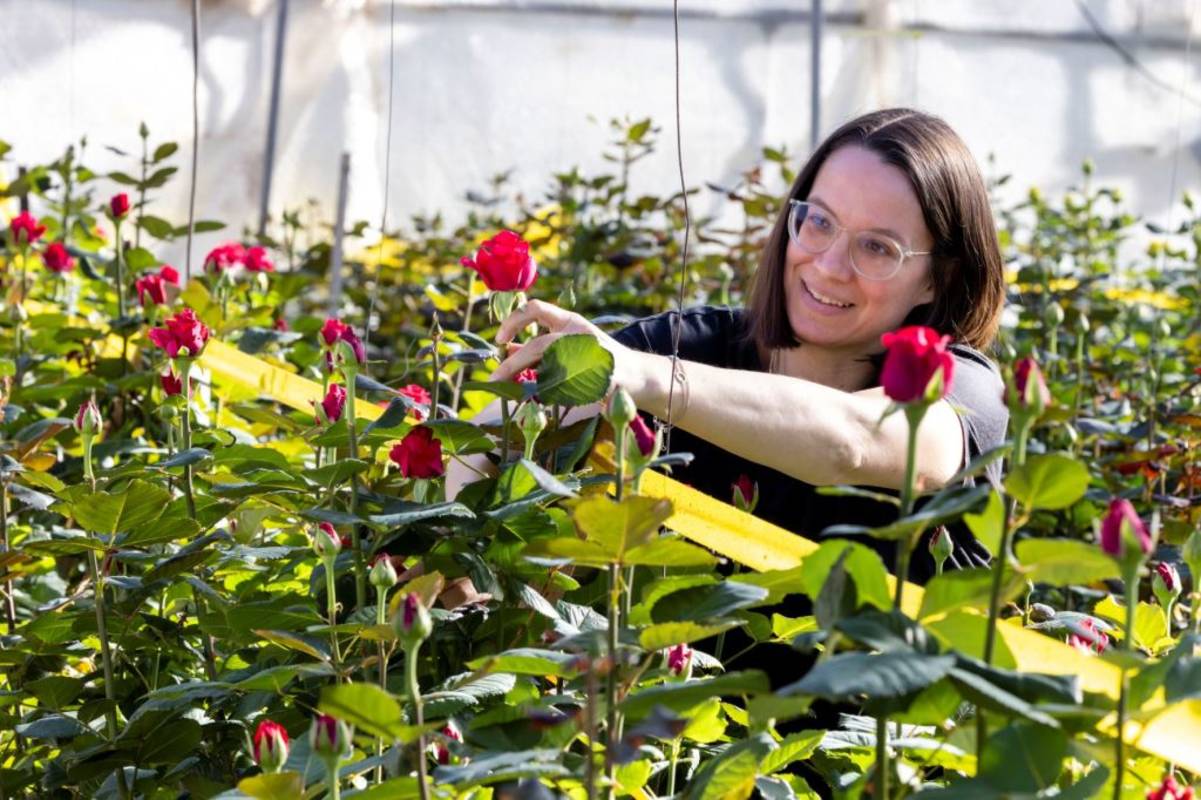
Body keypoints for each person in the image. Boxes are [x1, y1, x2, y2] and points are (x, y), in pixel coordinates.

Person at [450, 107, 1008, 583]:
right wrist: (462, 568)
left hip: (887, 713)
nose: (831, 265)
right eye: (818, 222)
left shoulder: (963, 390)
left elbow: (853, 442)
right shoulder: (681, 347)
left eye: (878, 248)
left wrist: (647, 379)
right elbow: (482, 438)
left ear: (938, 278)